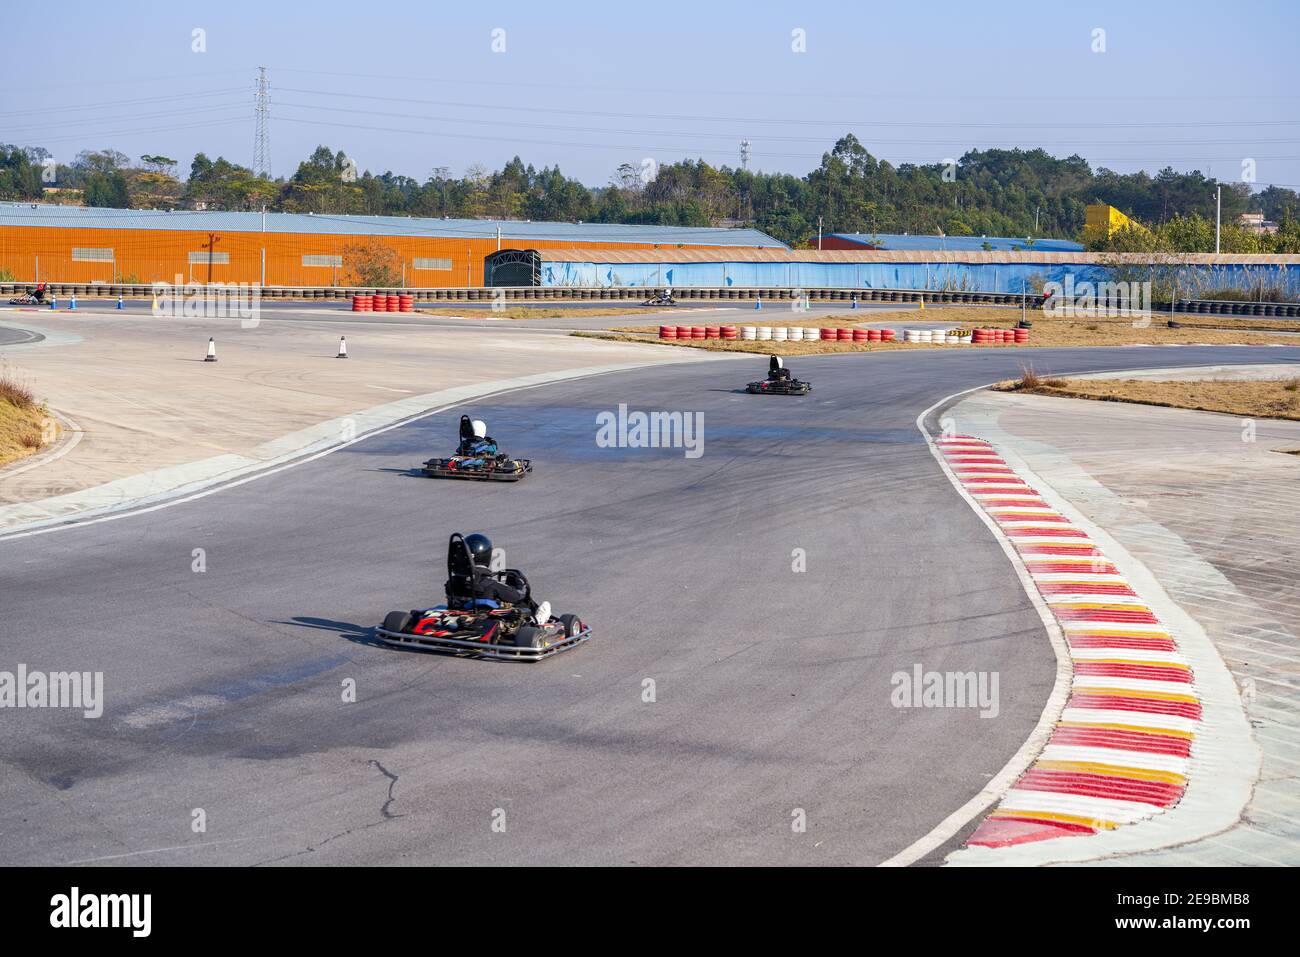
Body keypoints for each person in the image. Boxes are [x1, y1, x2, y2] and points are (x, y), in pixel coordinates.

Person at [444, 532, 538, 613]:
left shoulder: (451, 583)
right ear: (486, 556)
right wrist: (519, 586)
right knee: (523, 603)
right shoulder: (490, 585)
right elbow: (518, 596)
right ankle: (538, 619)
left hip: (461, 612)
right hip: (485, 619)